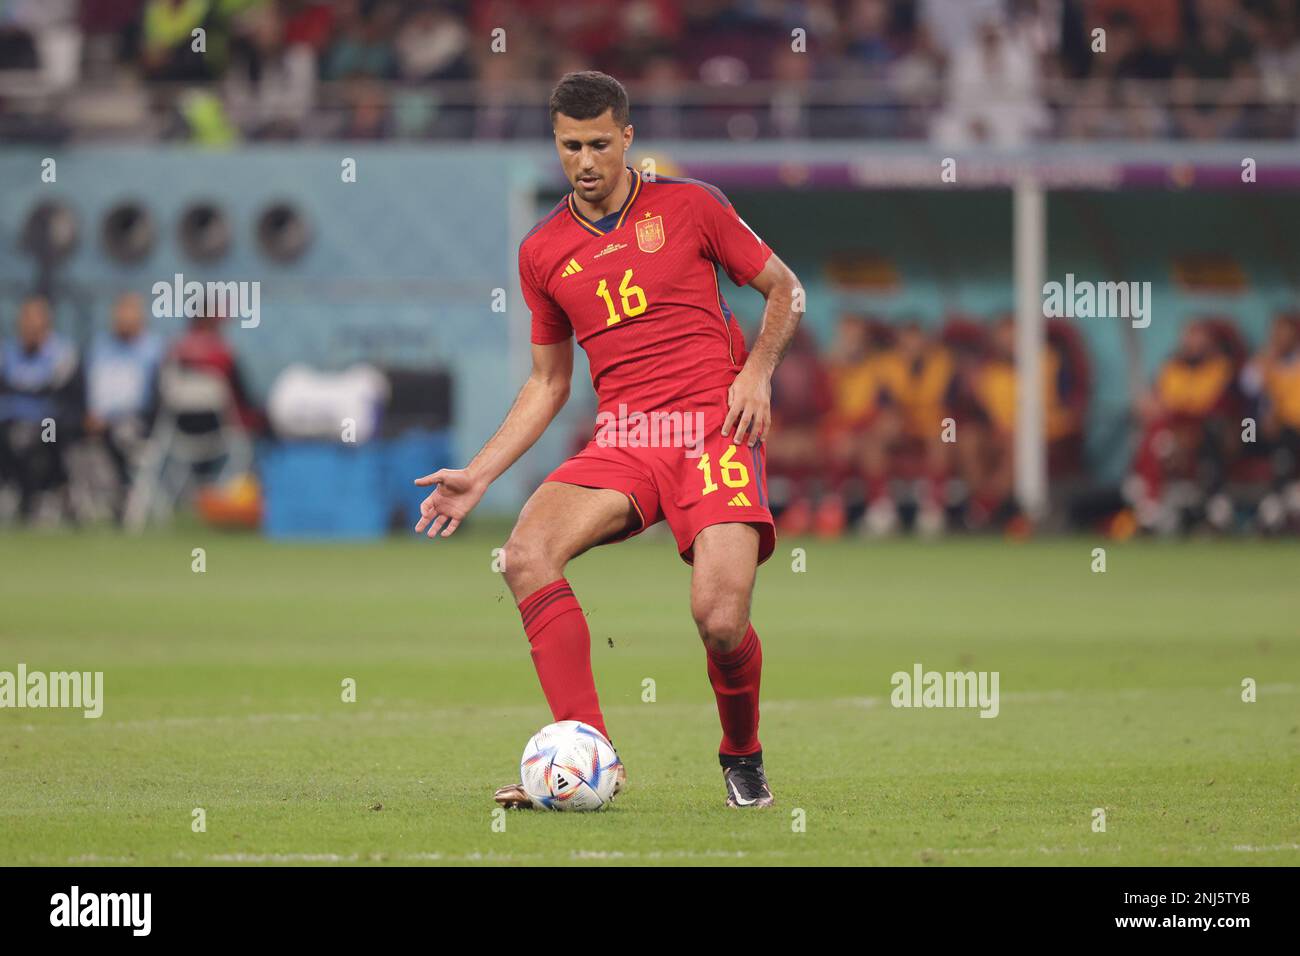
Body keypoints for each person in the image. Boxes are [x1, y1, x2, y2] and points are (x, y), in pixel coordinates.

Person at [413, 71, 801, 809]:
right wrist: (481, 473)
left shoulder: (692, 205)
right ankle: (587, 755)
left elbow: (786, 288)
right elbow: (548, 384)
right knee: (526, 554)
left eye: (598, 143)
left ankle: (741, 752)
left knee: (720, 621)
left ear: (627, 137)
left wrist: (756, 371)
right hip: (624, 438)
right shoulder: (542, 251)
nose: (585, 161)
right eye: (569, 146)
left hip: (712, 434)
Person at [0, 295, 82, 521]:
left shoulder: (62, 354)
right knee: (10, 437)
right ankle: (21, 495)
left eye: (36, 321)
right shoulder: (8, 354)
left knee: (46, 437)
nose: (30, 326)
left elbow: (56, 392)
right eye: (26, 320)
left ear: (47, 324)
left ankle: (52, 491)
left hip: (50, 423)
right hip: (11, 423)